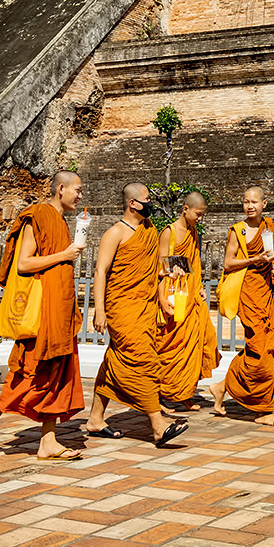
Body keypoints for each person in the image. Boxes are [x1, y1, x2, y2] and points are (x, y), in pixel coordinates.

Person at [0, 170, 86, 460]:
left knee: (58, 374)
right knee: (33, 370)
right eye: (77, 189)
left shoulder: (60, 221)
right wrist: (64, 255)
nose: (80, 195)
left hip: (59, 309)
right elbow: (24, 263)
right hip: (41, 312)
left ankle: (48, 442)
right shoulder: (36, 215)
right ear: (61, 189)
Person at [84, 182, 188, 447]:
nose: (150, 203)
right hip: (122, 307)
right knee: (141, 360)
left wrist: (170, 272)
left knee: (115, 360)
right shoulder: (116, 233)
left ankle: (95, 418)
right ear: (132, 203)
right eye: (146, 199)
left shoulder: (149, 230)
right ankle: (157, 423)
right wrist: (100, 310)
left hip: (145, 306)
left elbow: (156, 265)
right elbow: (101, 272)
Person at [209, 186, 274, 426]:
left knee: (267, 346)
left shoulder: (269, 227)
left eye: (254, 201)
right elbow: (228, 263)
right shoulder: (238, 231)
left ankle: (222, 387)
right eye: (245, 202)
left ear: (265, 204)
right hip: (248, 291)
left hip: (265, 291)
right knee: (258, 347)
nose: (249, 206)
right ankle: (263, 410)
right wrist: (255, 259)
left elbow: (269, 256)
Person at [157, 192, 220, 410]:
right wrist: (162, 298)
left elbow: (193, 265)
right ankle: (160, 394)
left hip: (190, 294)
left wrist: (200, 287)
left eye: (203, 215)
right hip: (172, 294)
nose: (200, 219)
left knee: (203, 339)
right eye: (198, 214)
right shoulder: (170, 233)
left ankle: (184, 392)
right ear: (185, 209)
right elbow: (160, 267)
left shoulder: (193, 232)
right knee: (171, 344)